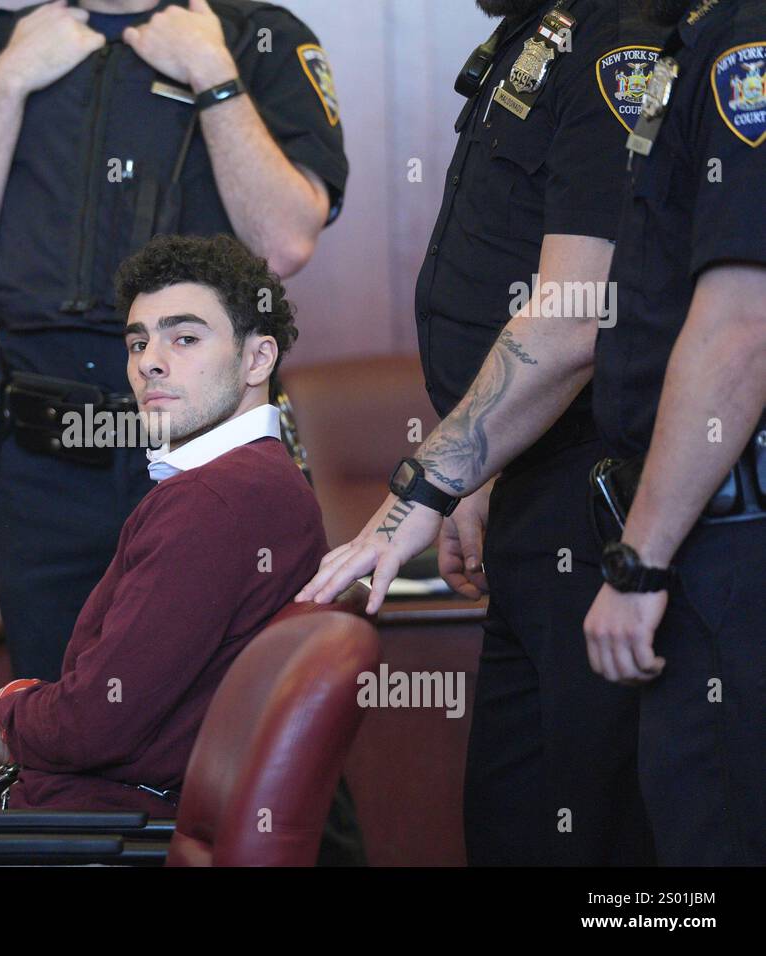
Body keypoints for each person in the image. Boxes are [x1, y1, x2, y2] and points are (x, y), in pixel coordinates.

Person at [298, 0, 663, 865]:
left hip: (605, 509)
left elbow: (577, 320)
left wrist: (427, 485)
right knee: (516, 825)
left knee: (600, 849)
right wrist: (485, 471)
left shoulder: (625, 42)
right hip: (532, 489)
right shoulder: (541, 28)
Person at [0, 0, 347, 683]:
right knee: (55, 723)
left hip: (206, 456)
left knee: (224, 721)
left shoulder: (258, 37)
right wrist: (7, 81)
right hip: (45, 469)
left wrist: (211, 72)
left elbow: (286, 239)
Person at [0, 234, 327, 814]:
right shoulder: (253, 482)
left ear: (258, 358)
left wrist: (7, 712)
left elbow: (98, 719)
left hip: (107, 833)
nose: (149, 360)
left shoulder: (213, 500)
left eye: (184, 338)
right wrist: (4, 734)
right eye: (137, 341)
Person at [581, 0, 766, 865]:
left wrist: (641, 559)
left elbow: (743, 327)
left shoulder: (746, 40)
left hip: (727, 547)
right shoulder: (693, 38)